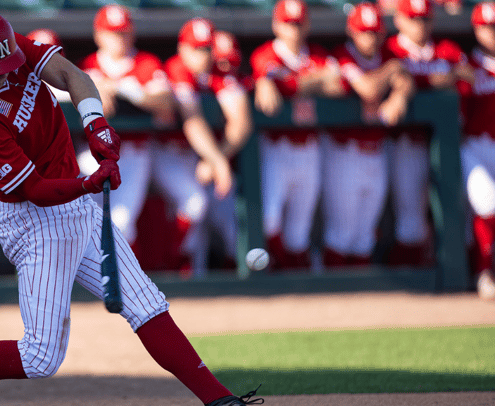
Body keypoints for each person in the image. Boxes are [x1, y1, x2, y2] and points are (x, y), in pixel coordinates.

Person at [0, 7, 269, 406]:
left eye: (6, 62)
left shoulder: (9, 49)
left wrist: (95, 122)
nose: (5, 72)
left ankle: (220, 402)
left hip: (76, 208)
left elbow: (74, 77)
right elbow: (34, 189)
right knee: (40, 357)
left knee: (147, 305)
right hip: (34, 221)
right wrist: (88, 182)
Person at [80, 5, 208, 274]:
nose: (119, 39)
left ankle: (134, 279)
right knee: (85, 219)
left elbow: (164, 101)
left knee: (122, 222)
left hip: (135, 152)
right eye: (112, 33)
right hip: (95, 155)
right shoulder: (89, 65)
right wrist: (95, 88)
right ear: (98, 35)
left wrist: (127, 91)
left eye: (123, 33)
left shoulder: (145, 63)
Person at [250, 0, 344, 270]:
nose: (294, 29)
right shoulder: (265, 54)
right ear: (276, 25)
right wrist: (313, 81)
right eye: (288, 23)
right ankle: (275, 274)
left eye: (299, 23)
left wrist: (292, 83)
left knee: (300, 228)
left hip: (309, 148)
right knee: (269, 220)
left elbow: (337, 85)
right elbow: (270, 86)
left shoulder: (316, 54)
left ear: (308, 24)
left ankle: (295, 282)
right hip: (277, 148)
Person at [324, 2, 415, 267]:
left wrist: (399, 95)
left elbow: (406, 82)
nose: (369, 37)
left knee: (365, 234)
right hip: (344, 152)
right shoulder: (343, 55)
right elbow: (368, 88)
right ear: (351, 31)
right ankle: (331, 296)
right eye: (363, 31)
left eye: (375, 32)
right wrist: (393, 70)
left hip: (376, 151)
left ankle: (359, 303)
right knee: (341, 233)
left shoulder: (386, 56)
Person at [384, 0, 471, 266]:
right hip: (406, 144)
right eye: (412, 18)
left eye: (424, 19)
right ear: (398, 20)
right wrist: (434, 80)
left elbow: (469, 78)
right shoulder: (391, 50)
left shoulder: (447, 50)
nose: (419, 25)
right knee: (411, 221)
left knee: (459, 212)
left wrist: (448, 76)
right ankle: (415, 277)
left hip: (448, 144)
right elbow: (389, 80)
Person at [163, 20, 253, 272]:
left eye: (207, 48)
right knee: (194, 207)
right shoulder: (176, 68)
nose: (203, 55)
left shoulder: (220, 70)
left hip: (205, 158)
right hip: (171, 152)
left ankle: (218, 284)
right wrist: (218, 161)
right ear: (182, 48)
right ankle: (175, 273)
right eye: (196, 49)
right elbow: (192, 119)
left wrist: (218, 158)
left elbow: (241, 122)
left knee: (228, 223)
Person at [462, 1, 495, 300]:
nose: (492, 32)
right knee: (486, 202)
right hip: (474, 145)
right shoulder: (466, 65)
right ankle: (484, 273)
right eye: (487, 27)